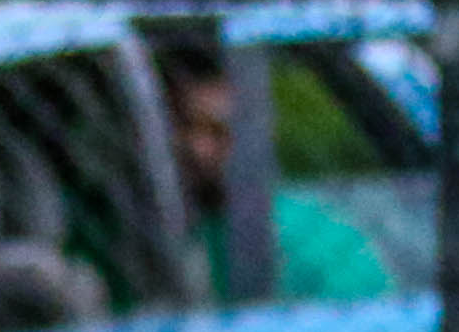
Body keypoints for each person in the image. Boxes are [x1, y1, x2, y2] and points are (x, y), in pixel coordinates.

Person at [156, 53, 387, 303]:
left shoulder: (319, 240)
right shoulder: (148, 236)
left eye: (219, 132)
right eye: (184, 127)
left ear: (256, 136)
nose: (197, 148)